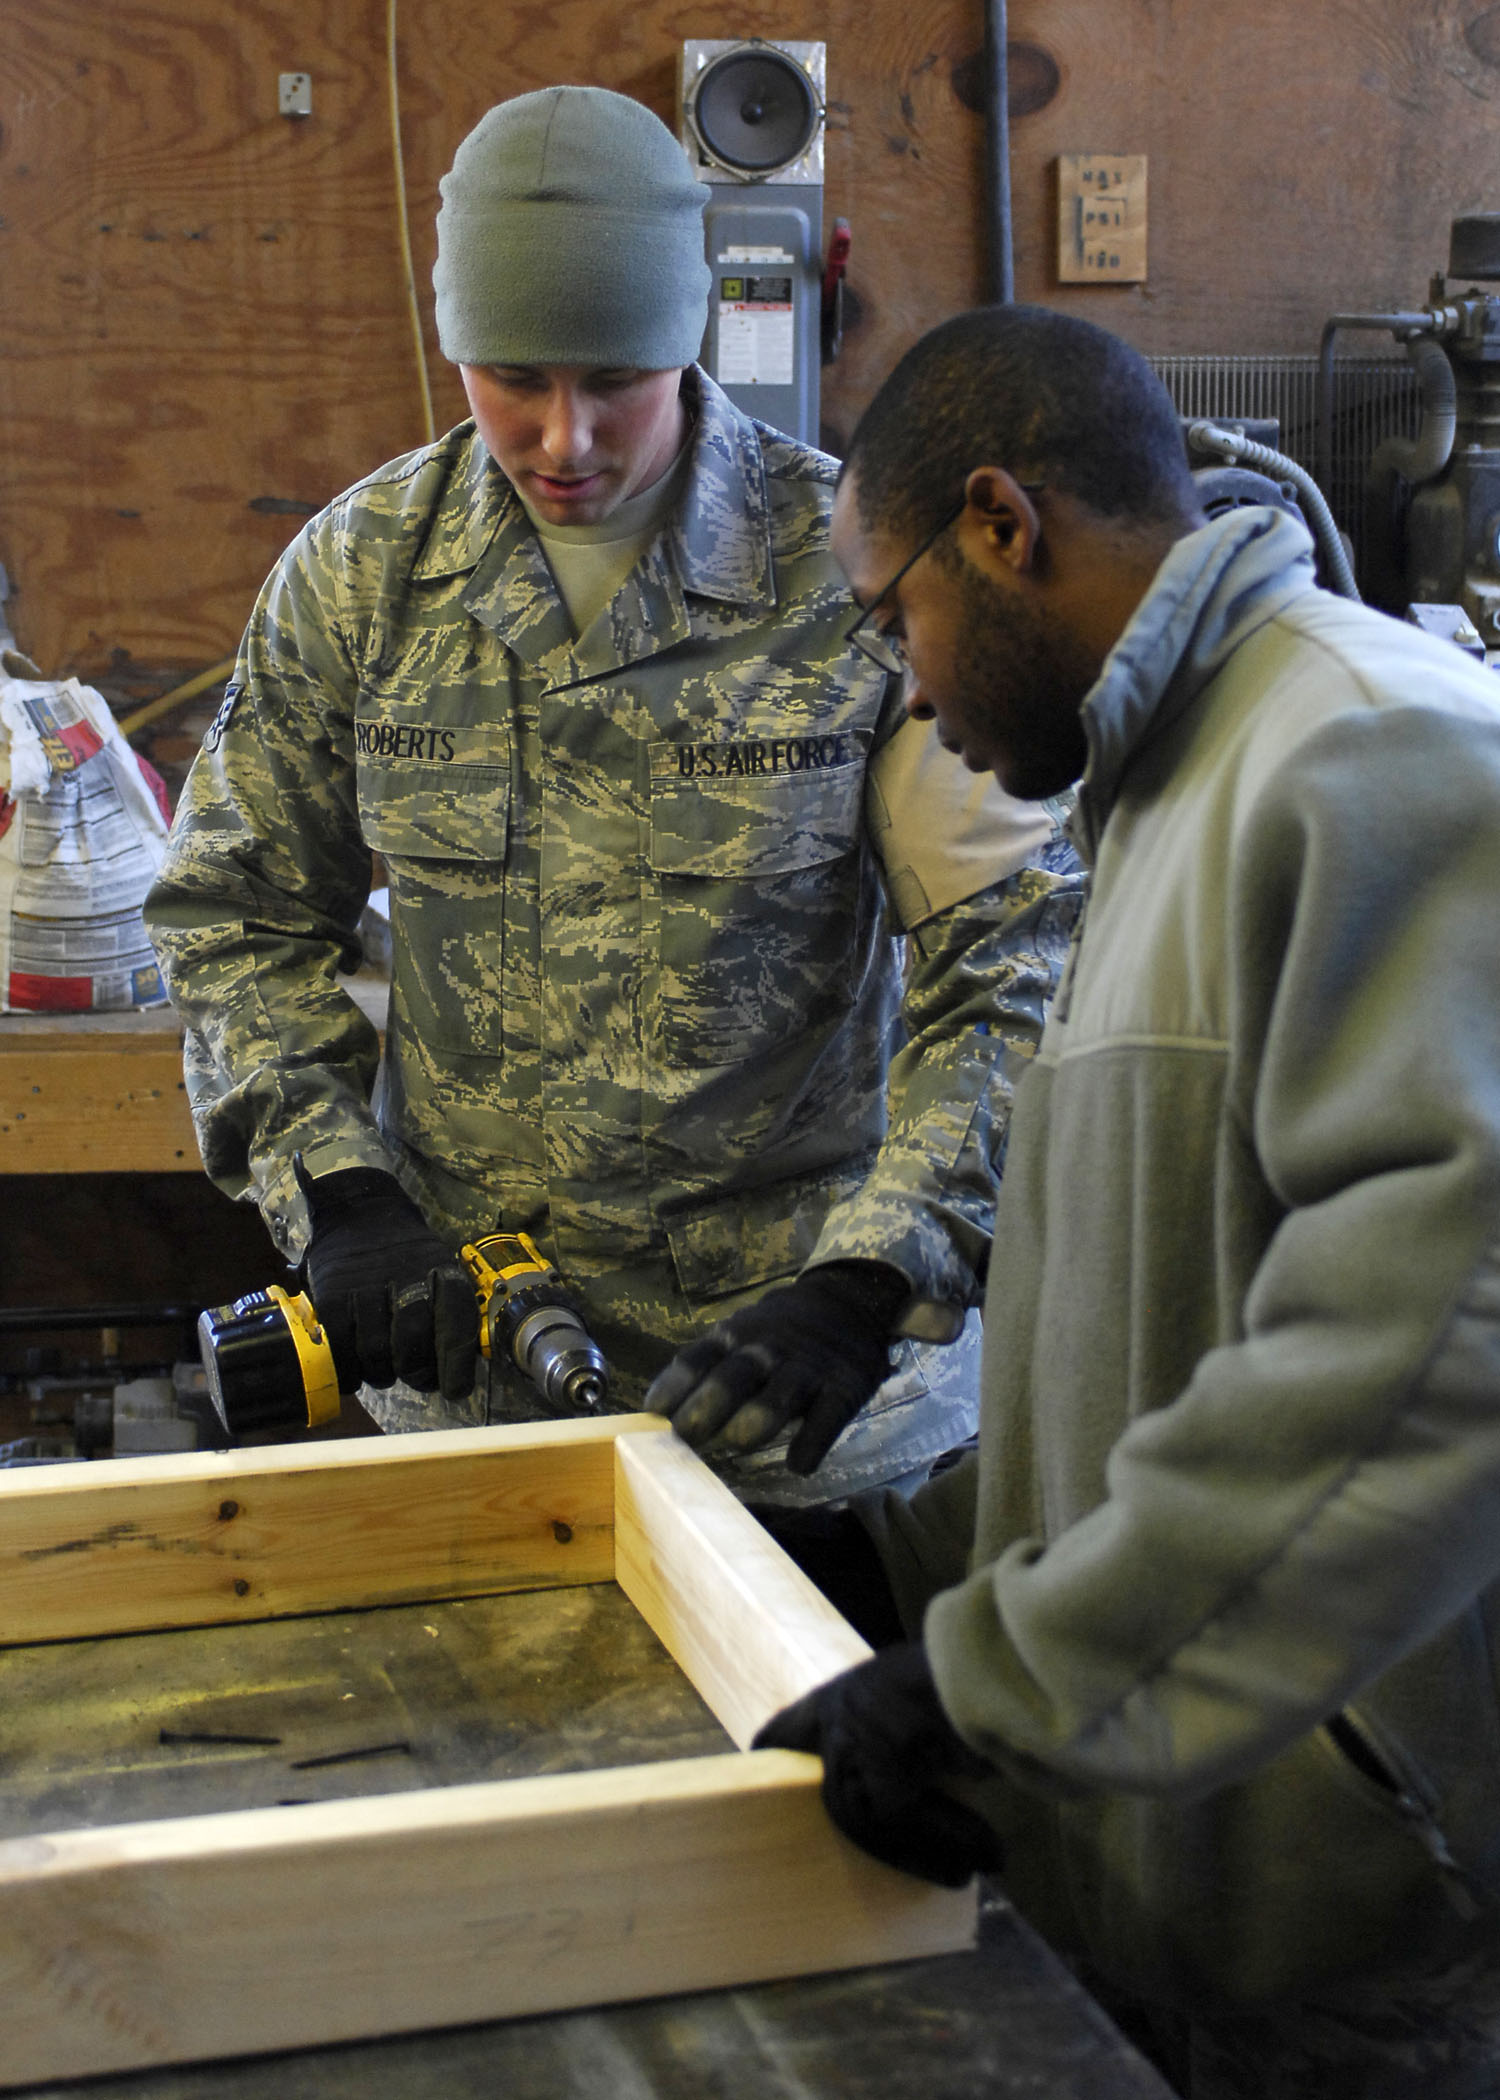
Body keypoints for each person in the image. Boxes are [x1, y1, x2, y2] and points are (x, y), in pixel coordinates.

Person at [757, 302, 1500, 2093]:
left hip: (1345, 1919)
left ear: (1002, 528)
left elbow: (1433, 1339)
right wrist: (893, 1556)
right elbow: (1151, 1315)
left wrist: (993, 1684)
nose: (912, 691)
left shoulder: (1368, 751)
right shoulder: (1172, 781)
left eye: (895, 621)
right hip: (1181, 1871)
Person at [145, 91, 1081, 1510]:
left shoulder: (853, 582)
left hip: (804, 1411)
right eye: (512, 375)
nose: (563, 438)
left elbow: (1012, 967)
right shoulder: (365, 579)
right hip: (478, 1394)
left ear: (692, 335)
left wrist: (880, 1271)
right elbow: (234, 915)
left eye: (616, 378)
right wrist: (337, 1189)